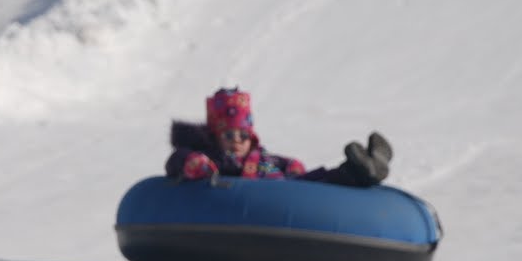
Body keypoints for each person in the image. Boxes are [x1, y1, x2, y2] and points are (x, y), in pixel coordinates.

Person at [165, 87, 391, 188]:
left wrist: (290, 164)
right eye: (229, 135)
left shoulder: (262, 159)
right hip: (247, 199)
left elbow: (282, 164)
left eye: (243, 135)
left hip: (282, 189)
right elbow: (177, 160)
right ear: (216, 137)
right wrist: (193, 163)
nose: (236, 140)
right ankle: (358, 172)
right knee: (305, 189)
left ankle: (360, 170)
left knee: (316, 182)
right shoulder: (212, 159)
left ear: (252, 138)